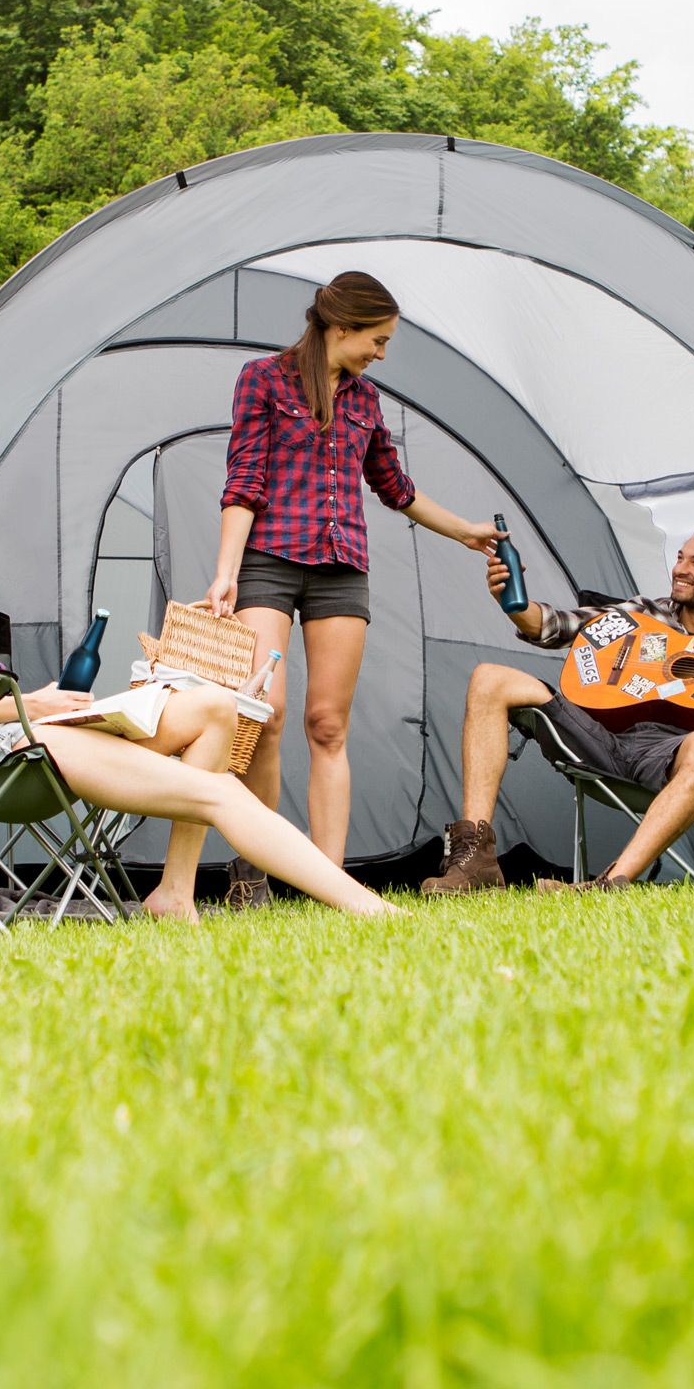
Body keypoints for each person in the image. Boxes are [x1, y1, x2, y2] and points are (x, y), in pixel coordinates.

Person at [0, 456, 397, 923]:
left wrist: (37, 705)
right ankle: (369, 910)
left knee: (214, 707)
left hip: (17, 732)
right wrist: (29, 705)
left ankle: (175, 894)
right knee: (220, 792)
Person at [156, 271, 498, 912]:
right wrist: (227, 570)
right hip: (268, 561)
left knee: (327, 724)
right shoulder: (263, 379)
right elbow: (244, 481)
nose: (381, 353)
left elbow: (397, 489)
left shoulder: (367, 401)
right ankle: (252, 869)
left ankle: (329, 886)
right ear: (341, 327)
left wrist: (466, 533)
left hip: (343, 569)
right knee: (264, 715)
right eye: (378, 339)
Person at [422, 526, 694, 893]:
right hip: (600, 737)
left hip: (672, 758)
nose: (680, 569)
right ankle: (474, 862)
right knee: (490, 677)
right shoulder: (645, 614)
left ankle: (609, 884)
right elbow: (559, 626)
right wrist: (512, 601)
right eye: (680, 558)